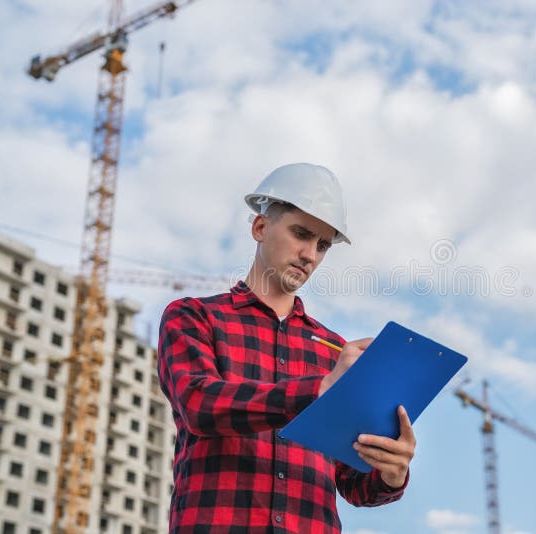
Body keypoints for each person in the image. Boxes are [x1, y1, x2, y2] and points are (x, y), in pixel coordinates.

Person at [157, 163, 416, 533]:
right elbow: (200, 405)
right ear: (260, 227)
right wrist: (318, 390)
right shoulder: (194, 317)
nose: (310, 254)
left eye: (322, 245)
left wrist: (391, 472)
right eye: (301, 234)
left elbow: (351, 482)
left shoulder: (335, 353)